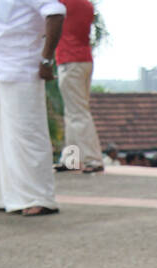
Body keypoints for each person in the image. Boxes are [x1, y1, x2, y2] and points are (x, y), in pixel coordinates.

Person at [0, 0, 64, 217]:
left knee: (28, 135)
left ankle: (38, 197)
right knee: (4, 138)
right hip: (1, 70)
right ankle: (8, 195)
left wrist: (46, 59)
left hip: (22, 69)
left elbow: (55, 14)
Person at [55, 0, 102, 173]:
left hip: (70, 59)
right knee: (74, 111)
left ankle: (93, 158)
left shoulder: (63, 3)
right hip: (83, 58)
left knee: (77, 113)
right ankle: (72, 158)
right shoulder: (86, 4)